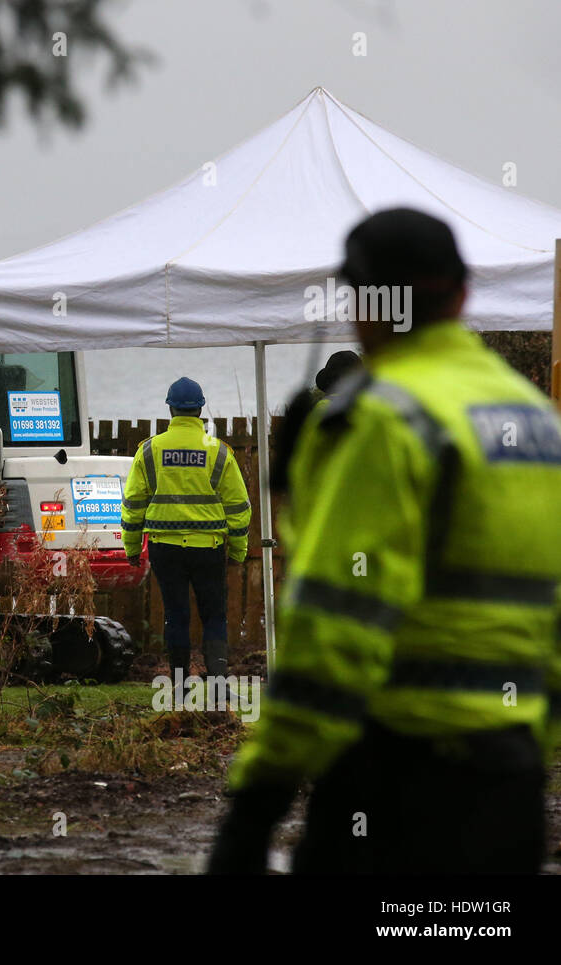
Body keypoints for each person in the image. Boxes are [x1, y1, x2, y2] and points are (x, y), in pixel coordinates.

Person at [209, 208, 561, 874]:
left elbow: (331, 632)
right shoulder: (534, 422)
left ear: (363, 303)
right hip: (512, 791)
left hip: (395, 787)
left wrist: (258, 802)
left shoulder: (381, 419)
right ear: (461, 297)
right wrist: (527, 747)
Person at [121, 378, 251, 682]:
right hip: (209, 547)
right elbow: (238, 506)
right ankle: (219, 686)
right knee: (214, 616)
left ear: (170, 409)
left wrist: (130, 548)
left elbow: (133, 505)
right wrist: (238, 549)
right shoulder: (218, 451)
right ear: (200, 409)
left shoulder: (150, 450)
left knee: (175, 615)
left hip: (164, 548)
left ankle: (179, 688)